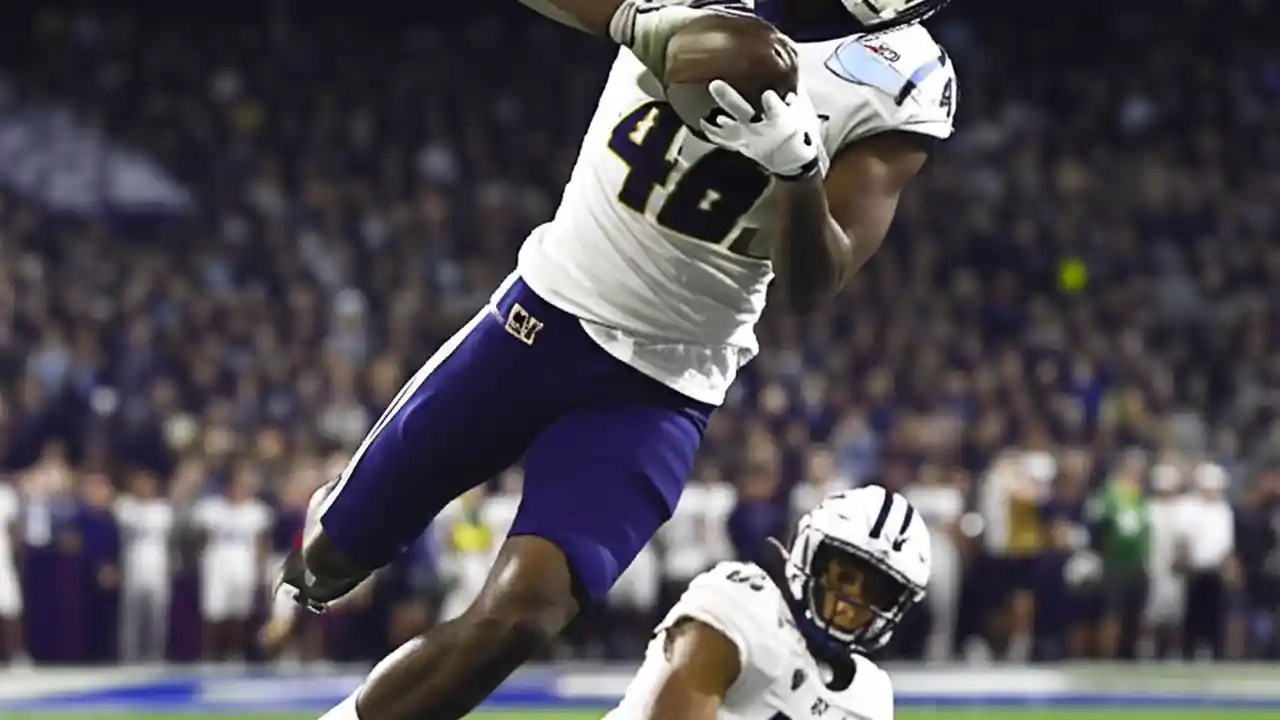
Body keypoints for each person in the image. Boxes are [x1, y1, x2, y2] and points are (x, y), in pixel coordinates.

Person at [294, 1, 958, 717]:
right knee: (329, 562)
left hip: (662, 386)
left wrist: (797, 172)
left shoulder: (906, 78)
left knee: (524, 612)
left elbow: (813, 283)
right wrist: (643, 21)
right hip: (542, 318)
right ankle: (335, 533)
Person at [605, 484, 929, 720]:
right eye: (843, 579)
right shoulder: (743, 602)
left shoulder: (870, 696)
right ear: (811, 560)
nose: (846, 605)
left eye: (874, 596)